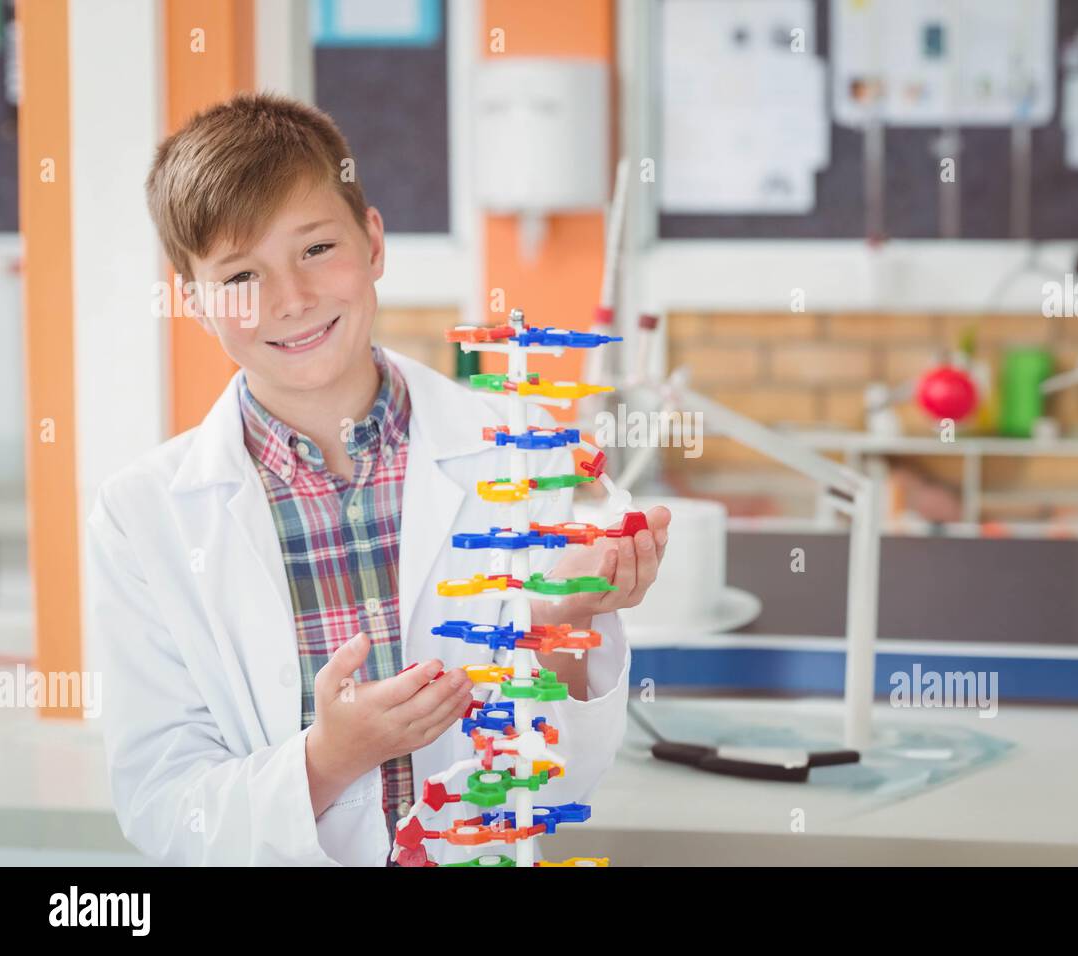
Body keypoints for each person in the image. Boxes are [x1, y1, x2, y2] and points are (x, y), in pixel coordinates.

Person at [85, 91, 670, 865]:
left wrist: (561, 620)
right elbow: (165, 809)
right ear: (195, 302)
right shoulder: (143, 517)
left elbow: (560, 786)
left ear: (373, 242)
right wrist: (328, 758)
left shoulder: (523, 455)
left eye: (316, 249)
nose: (291, 300)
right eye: (240, 275)